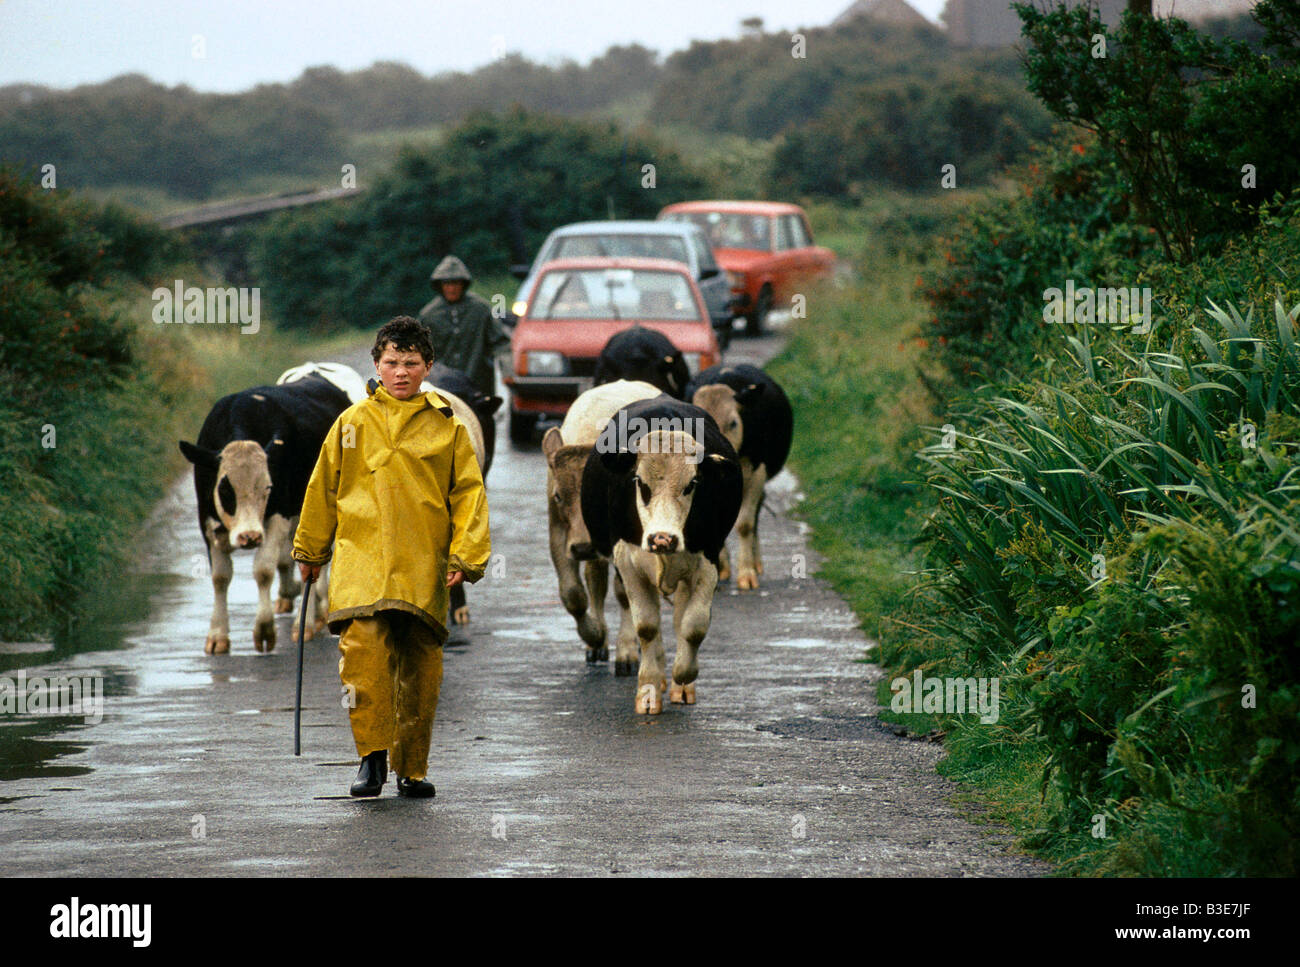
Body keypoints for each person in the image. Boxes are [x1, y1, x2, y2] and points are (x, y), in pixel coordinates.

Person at [292, 316, 491, 799]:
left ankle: (412, 767)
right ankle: (371, 759)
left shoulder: (449, 426)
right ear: (376, 365)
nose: (400, 372)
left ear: (428, 367)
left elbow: (469, 494)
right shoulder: (352, 423)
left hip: (424, 561)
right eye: (391, 362)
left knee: (419, 663)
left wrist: (465, 555)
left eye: (411, 363)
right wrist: (310, 549)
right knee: (364, 657)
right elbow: (324, 489)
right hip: (361, 558)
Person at [418, 255, 511, 400]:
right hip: (441, 386)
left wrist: (508, 372)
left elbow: (501, 342)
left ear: (464, 284)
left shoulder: (481, 309)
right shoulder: (428, 314)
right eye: (447, 284)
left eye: (456, 283)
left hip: (478, 383)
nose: (452, 288)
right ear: (440, 285)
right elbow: (418, 351)